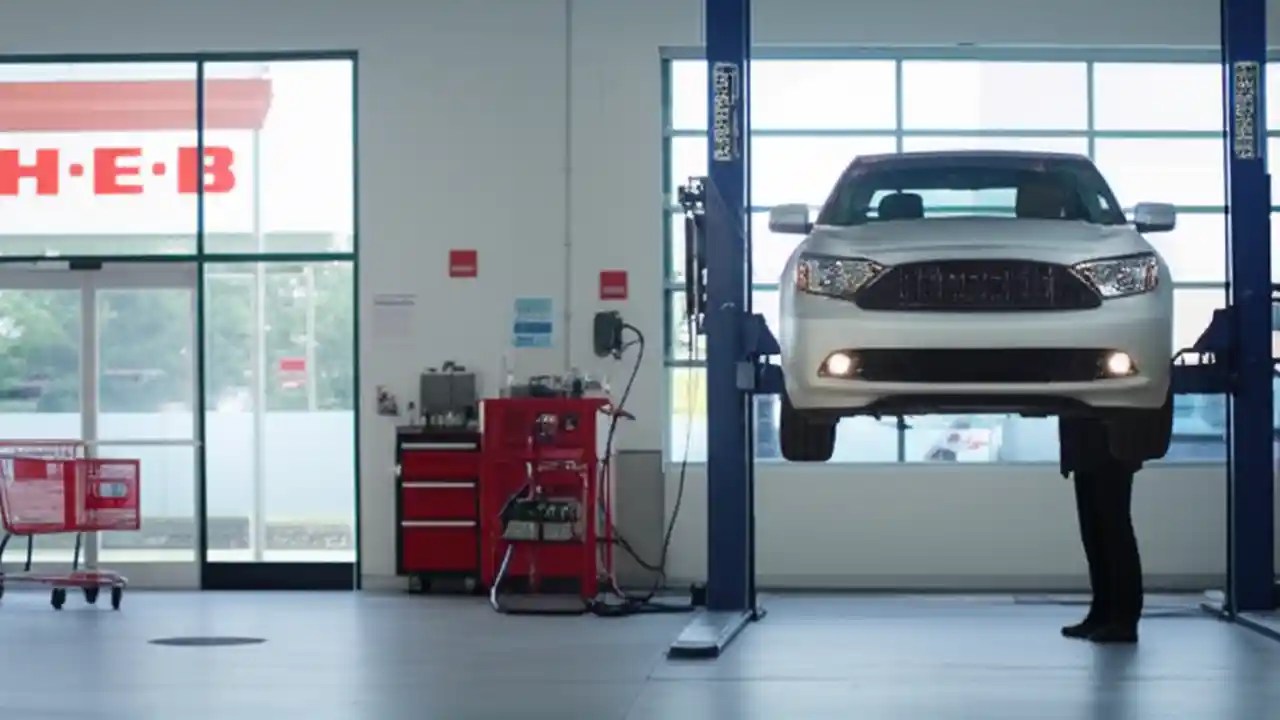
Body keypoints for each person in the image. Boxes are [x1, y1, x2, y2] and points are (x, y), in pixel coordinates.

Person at [1057, 416, 1144, 643]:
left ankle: (1124, 618)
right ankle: (1102, 612)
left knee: (1113, 528)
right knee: (1093, 530)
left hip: (1114, 439)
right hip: (1085, 440)